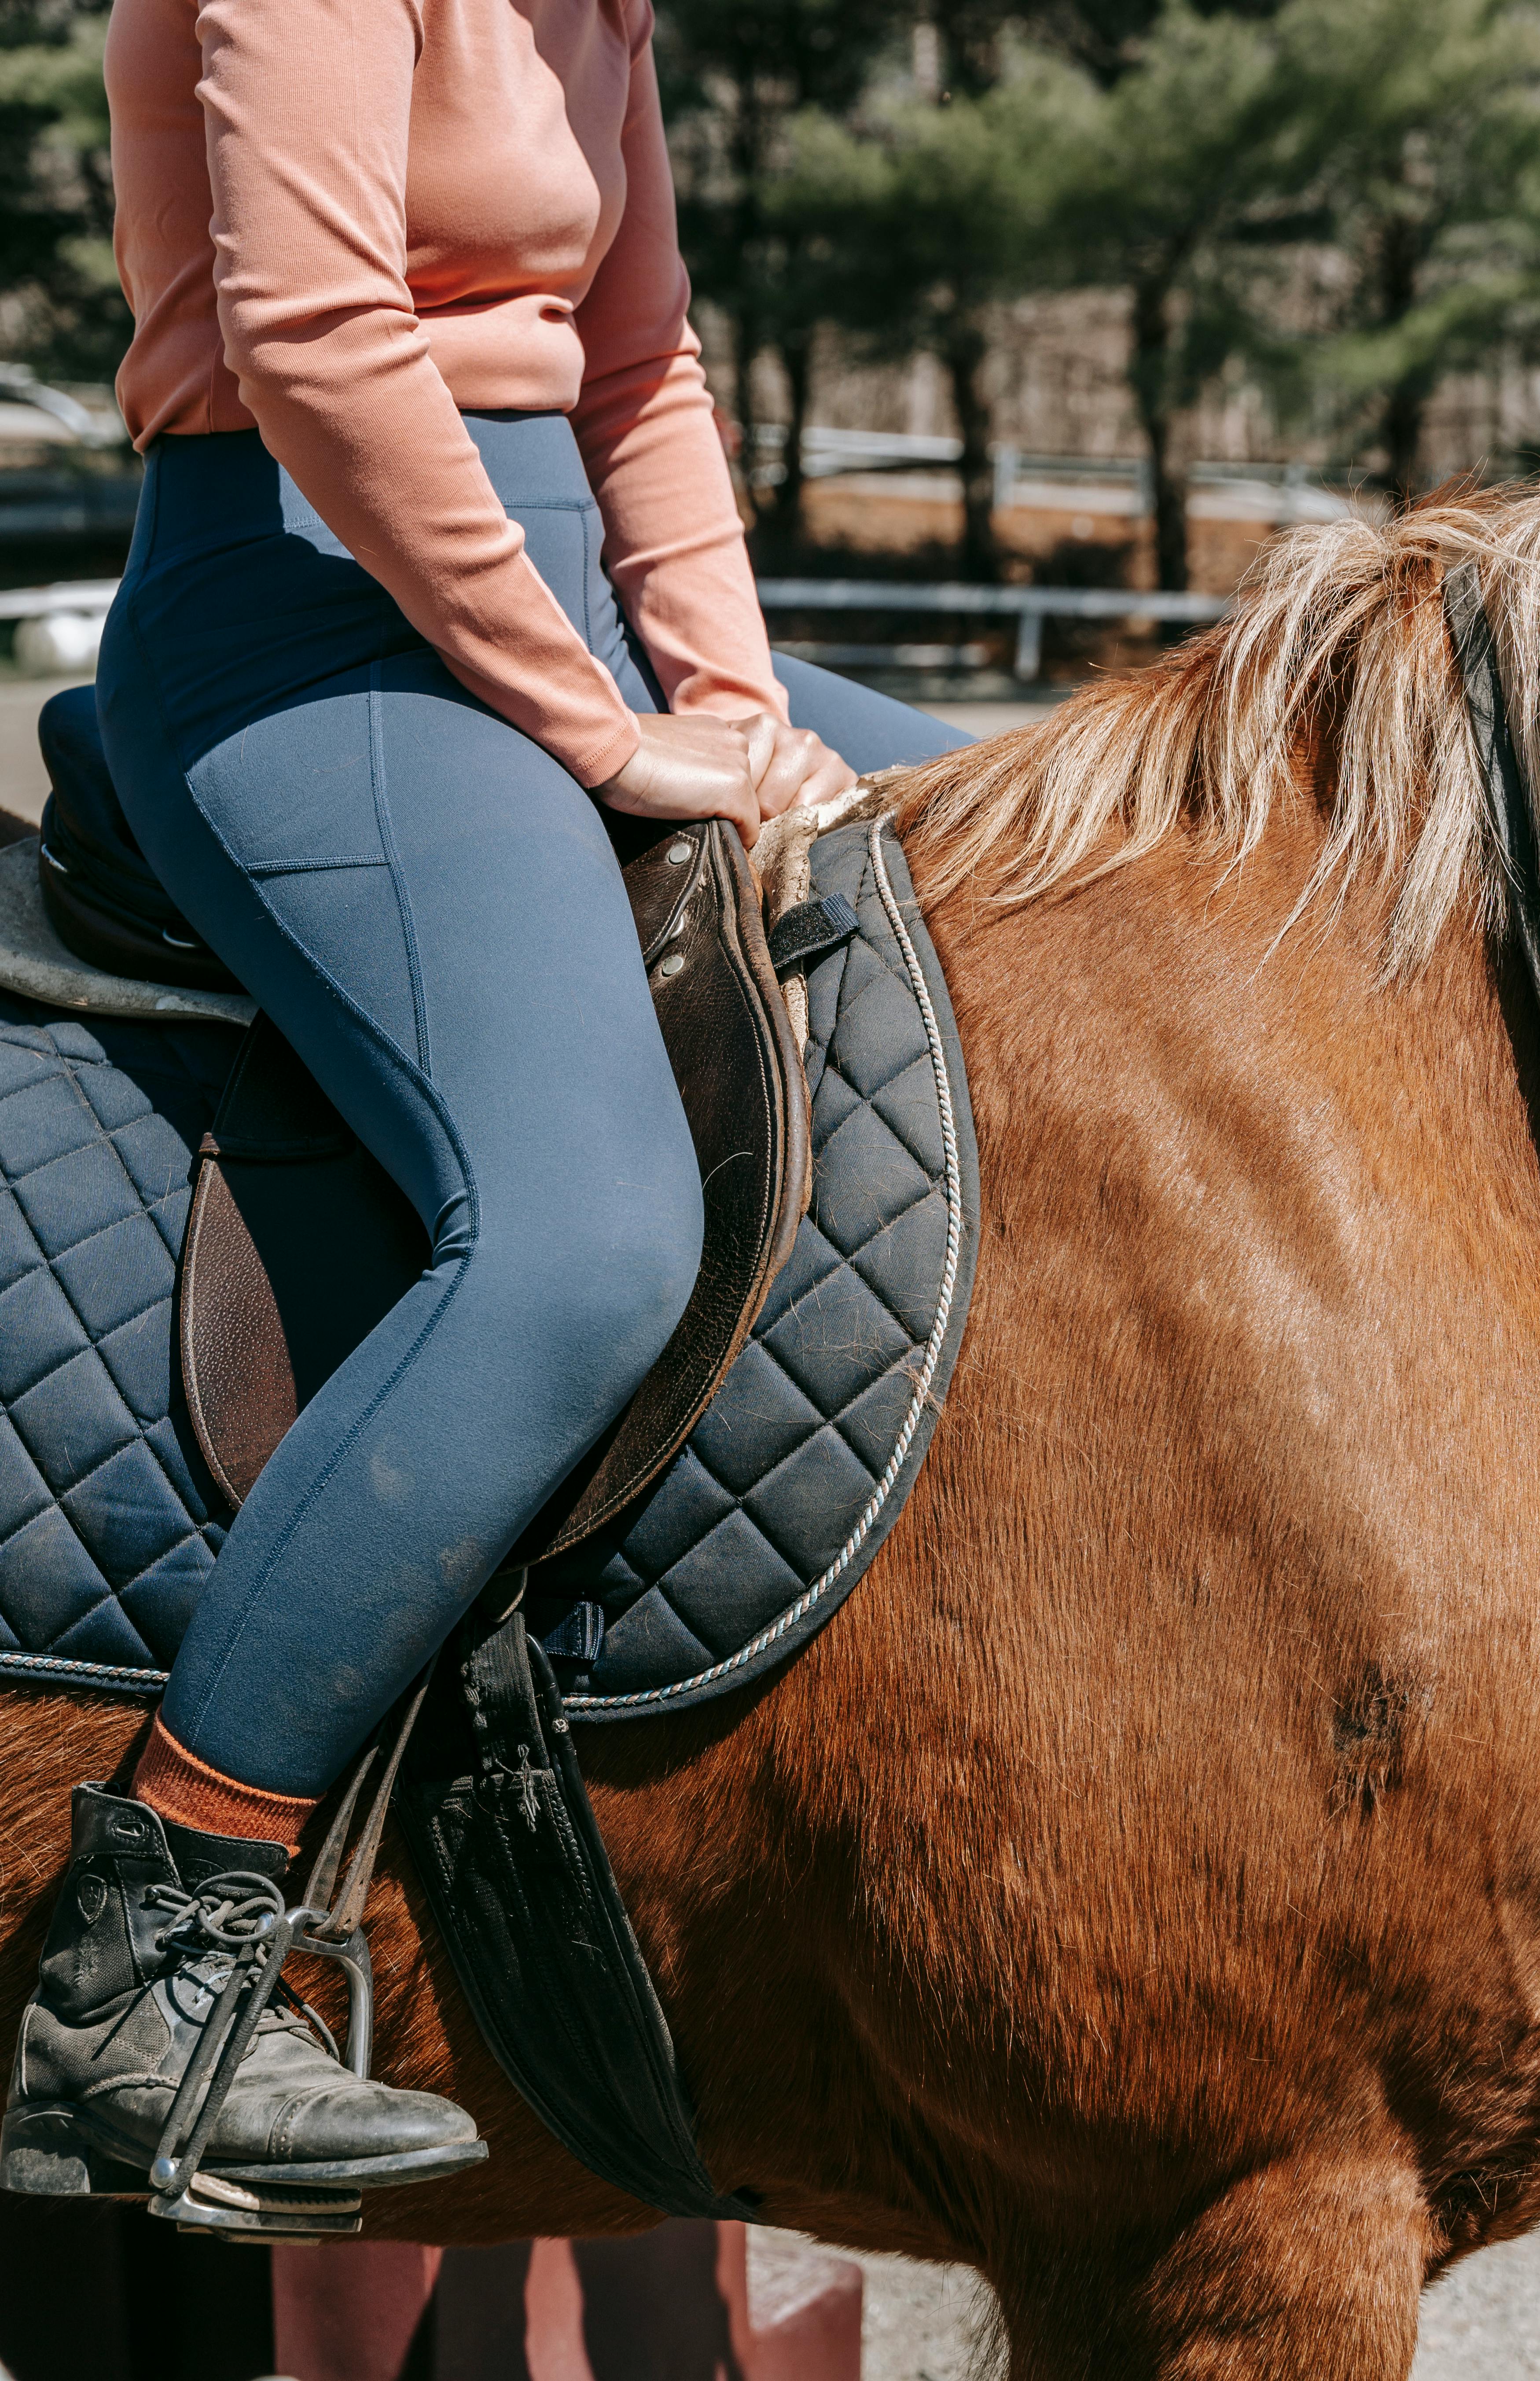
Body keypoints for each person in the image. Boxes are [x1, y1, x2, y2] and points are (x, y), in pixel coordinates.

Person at [2, 0, 970, 2215]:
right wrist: (608, 738)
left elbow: (643, 366)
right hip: (302, 608)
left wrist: (729, 696)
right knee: (580, 1235)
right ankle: (153, 1966)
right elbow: (322, 341)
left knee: (1087, 847)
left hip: (563, 611)